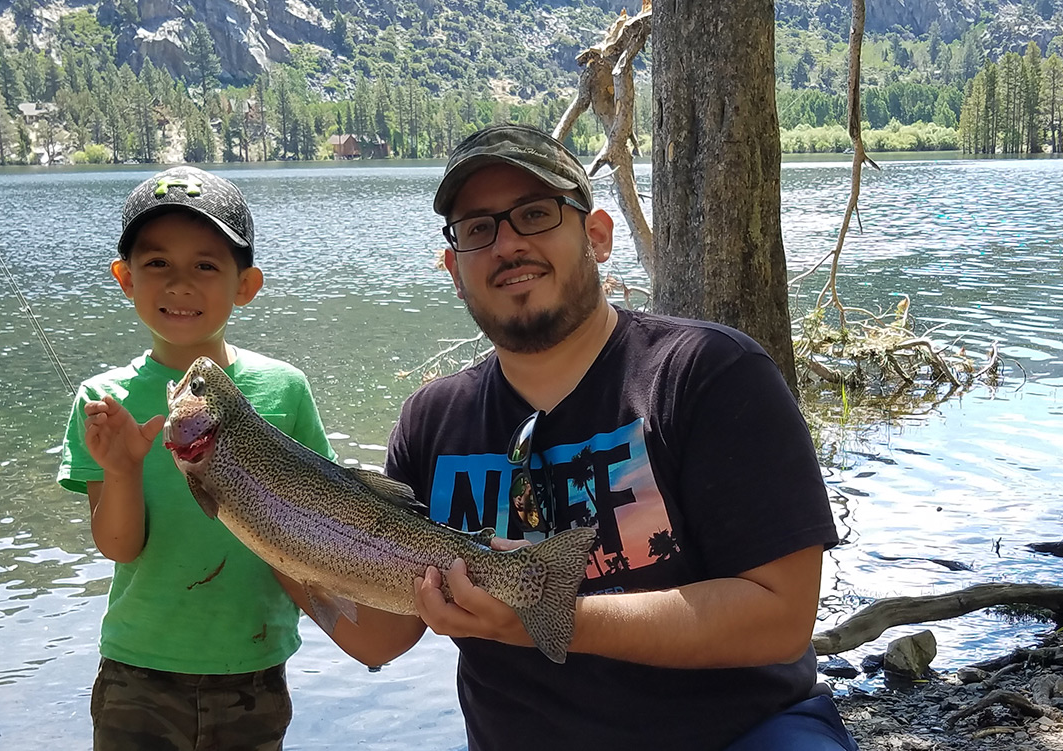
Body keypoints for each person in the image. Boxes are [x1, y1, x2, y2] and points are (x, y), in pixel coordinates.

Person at [343, 124, 858, 750]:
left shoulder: (706, 374)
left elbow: (780, 616)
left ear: (597, 236)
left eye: (535, 214)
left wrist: (548, 617)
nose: (507, 244)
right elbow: (380, 637)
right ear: (455, 268)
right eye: (478, 228)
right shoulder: (431, 421)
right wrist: (247, 499)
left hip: (742, 734)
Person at [57, 166, 338, 751]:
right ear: (125, 278)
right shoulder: (101, 401)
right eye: (157, 263)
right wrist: (122, 470)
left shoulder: (284, 389)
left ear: (246, 285)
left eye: (205, 265)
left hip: (252, 664)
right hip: (139, 666)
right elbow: (118, 547)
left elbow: (324, 519)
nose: (179, 284)